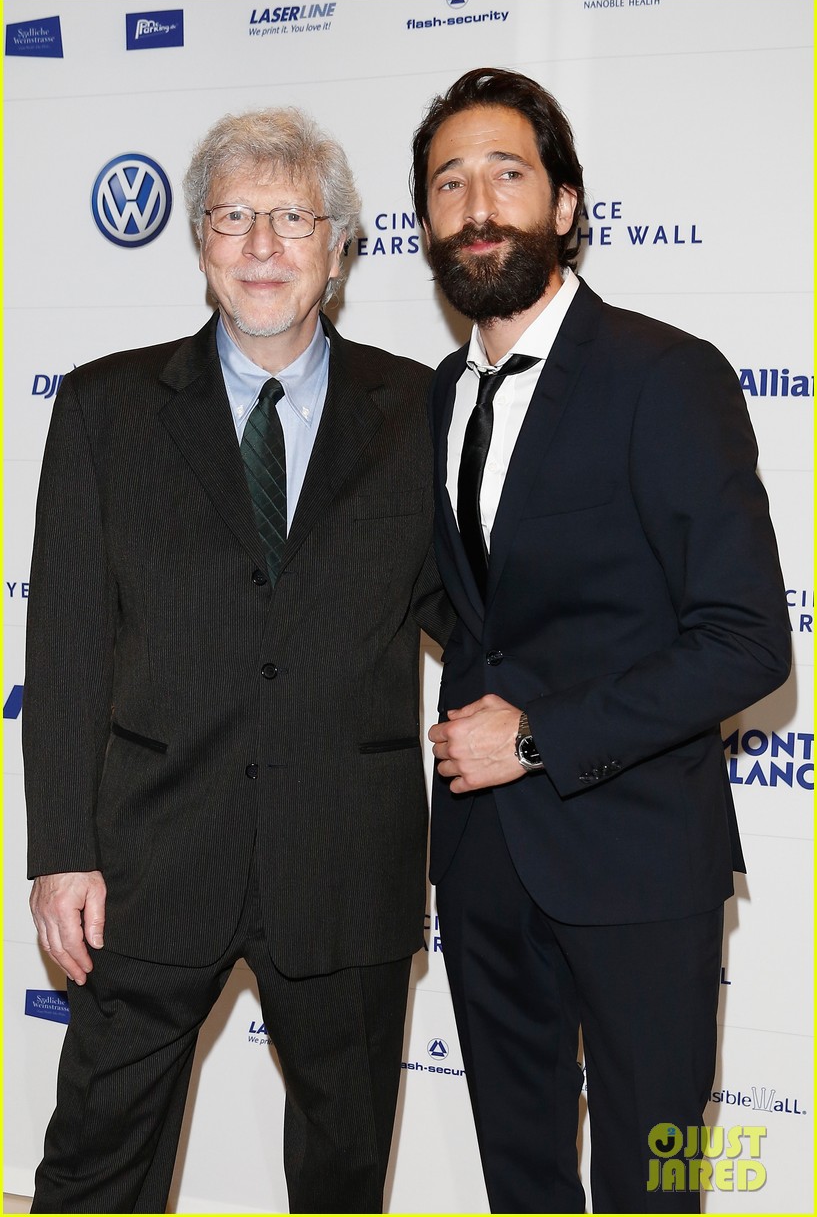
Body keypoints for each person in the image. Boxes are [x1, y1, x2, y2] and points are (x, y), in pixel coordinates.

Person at [24, 107, 452, 1215]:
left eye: (291, 218)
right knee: (92, 1170)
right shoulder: (104, 409)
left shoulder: (419, 410)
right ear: (201, 242)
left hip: (347, 867)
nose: (261, 245)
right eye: (232, 216)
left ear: (340, 244)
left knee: (343, 1178)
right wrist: (60, 850)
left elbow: (479, 614)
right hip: (149, 864)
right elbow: (63, 645)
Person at [413, 67, 790, 1214]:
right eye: (448, 183)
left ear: (566, 206)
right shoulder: (430, 399)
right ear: (425, 225)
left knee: (656, 1181)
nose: (477, 205)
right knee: (521, 1178)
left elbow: (745, 639)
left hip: (636, 862)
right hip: (482, 868)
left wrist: (536, 738)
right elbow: (468, 604)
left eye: (507, 174)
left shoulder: (665, 376)